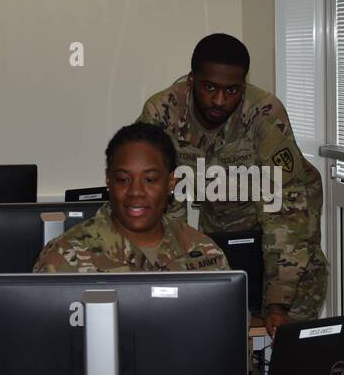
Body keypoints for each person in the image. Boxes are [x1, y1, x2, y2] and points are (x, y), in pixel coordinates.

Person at [138, 33, 328, 336]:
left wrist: (277, 304)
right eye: (209, 87)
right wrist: (171, 283)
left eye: (231, 90)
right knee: (212, 325)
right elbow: (158, 202)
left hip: (285, 223)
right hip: (220, 221)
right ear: (191, 81)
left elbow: (286, 212)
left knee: (291, 334)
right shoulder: (163, 112)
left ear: (244, 86)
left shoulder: (264, 114)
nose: (219, 100)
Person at [35, 123, 229, 273]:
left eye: (150, 179)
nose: (136, 192)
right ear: (108, 181)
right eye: (123, 179)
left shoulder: (203, 251)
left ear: (171, 183)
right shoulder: (65, 256)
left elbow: (230, 321)